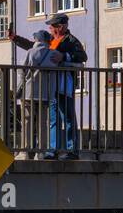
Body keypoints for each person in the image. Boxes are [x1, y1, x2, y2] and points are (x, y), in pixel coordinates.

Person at [9, 13, 87, 159]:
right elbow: (34, 48)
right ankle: (52, 150)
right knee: (53, 119)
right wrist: (16, 39)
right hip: (50, 86)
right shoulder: (51, 41)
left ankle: (72, 150)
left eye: (52, 27)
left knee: (68, 117)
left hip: (64, 85)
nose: (50, 29)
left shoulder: (71, 41)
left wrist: (64, 57)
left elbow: (83, 57)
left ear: (61, 27)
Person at [17, 30, 60, 157]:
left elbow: (21, 71)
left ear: (37, 40)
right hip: (46, 93)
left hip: (29, 93)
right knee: (43, 122)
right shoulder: (54, 54)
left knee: (27, 121)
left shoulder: (31, 52)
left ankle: (26, 151)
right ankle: (41, 152)